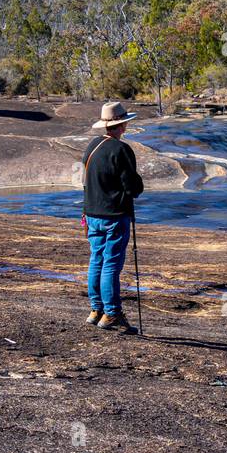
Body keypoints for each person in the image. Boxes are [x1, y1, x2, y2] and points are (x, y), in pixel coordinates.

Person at [81, 101, 144, 333]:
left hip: (92, 214)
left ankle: (96, 310)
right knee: (111, 265)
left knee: (96, 260)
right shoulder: (121, 150)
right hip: (114, 216)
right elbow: (132, 187)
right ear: (122, 124)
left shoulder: (92, 146)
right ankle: (112, 314)